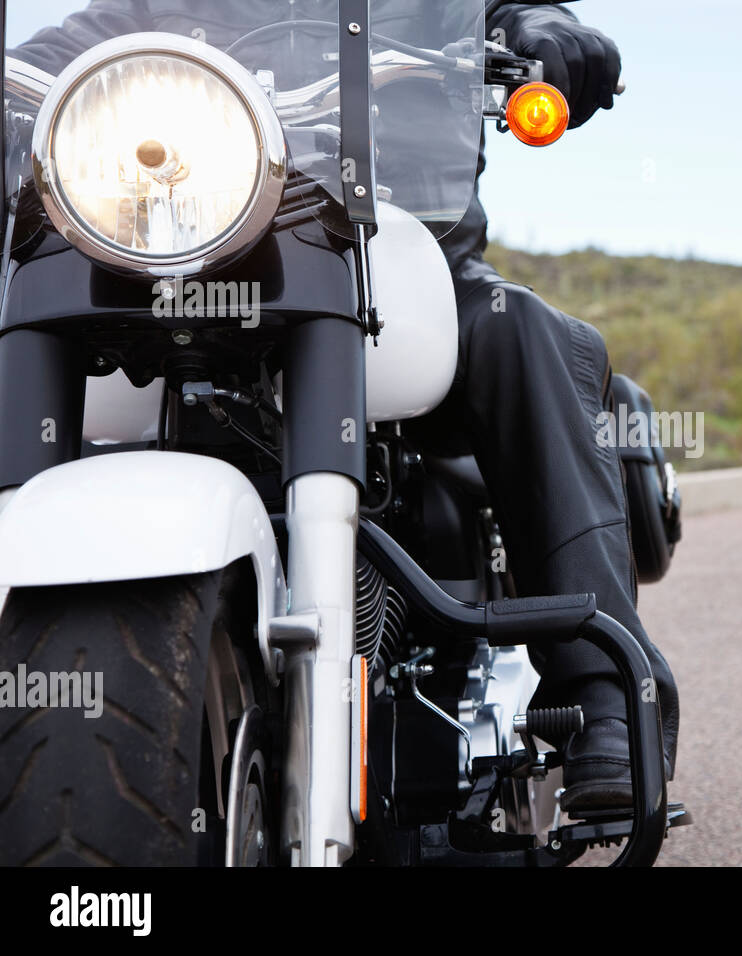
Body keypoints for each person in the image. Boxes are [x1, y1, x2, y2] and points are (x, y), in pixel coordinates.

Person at [12, 0, 678, 813]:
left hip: (395, 254)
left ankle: (607, 697)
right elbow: (68, 49)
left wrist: (547, 35)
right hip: (196, 271)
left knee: (523, 334)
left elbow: (510, 12)